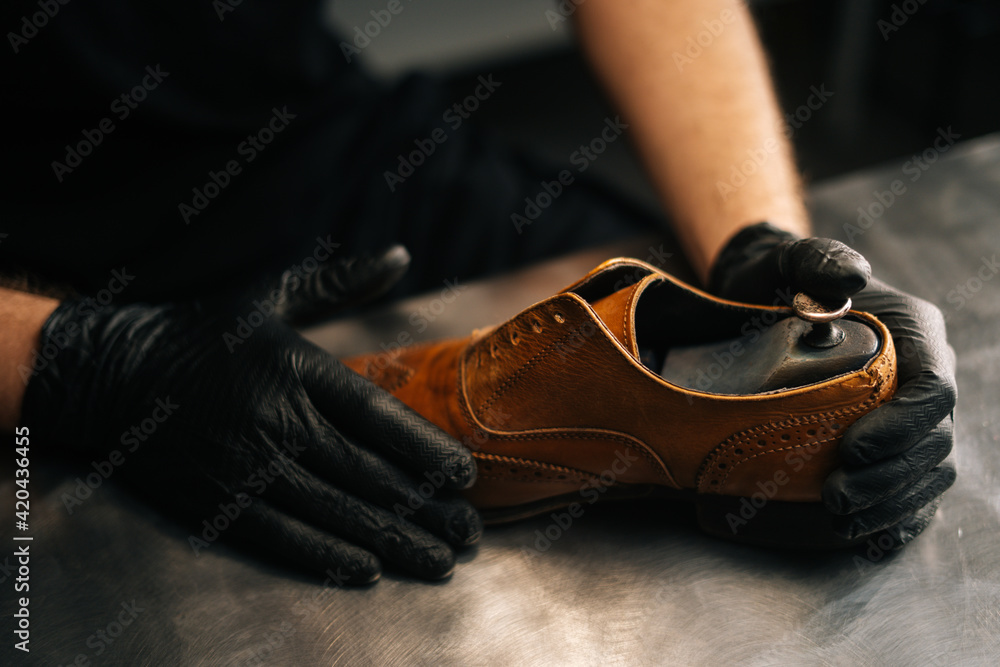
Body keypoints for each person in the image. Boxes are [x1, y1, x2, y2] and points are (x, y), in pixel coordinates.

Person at [1, 0, 955, 584]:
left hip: (326, 154)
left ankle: (776, 424)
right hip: (40, 278)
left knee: (625, 273)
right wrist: (81, 360)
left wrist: (760, 239)